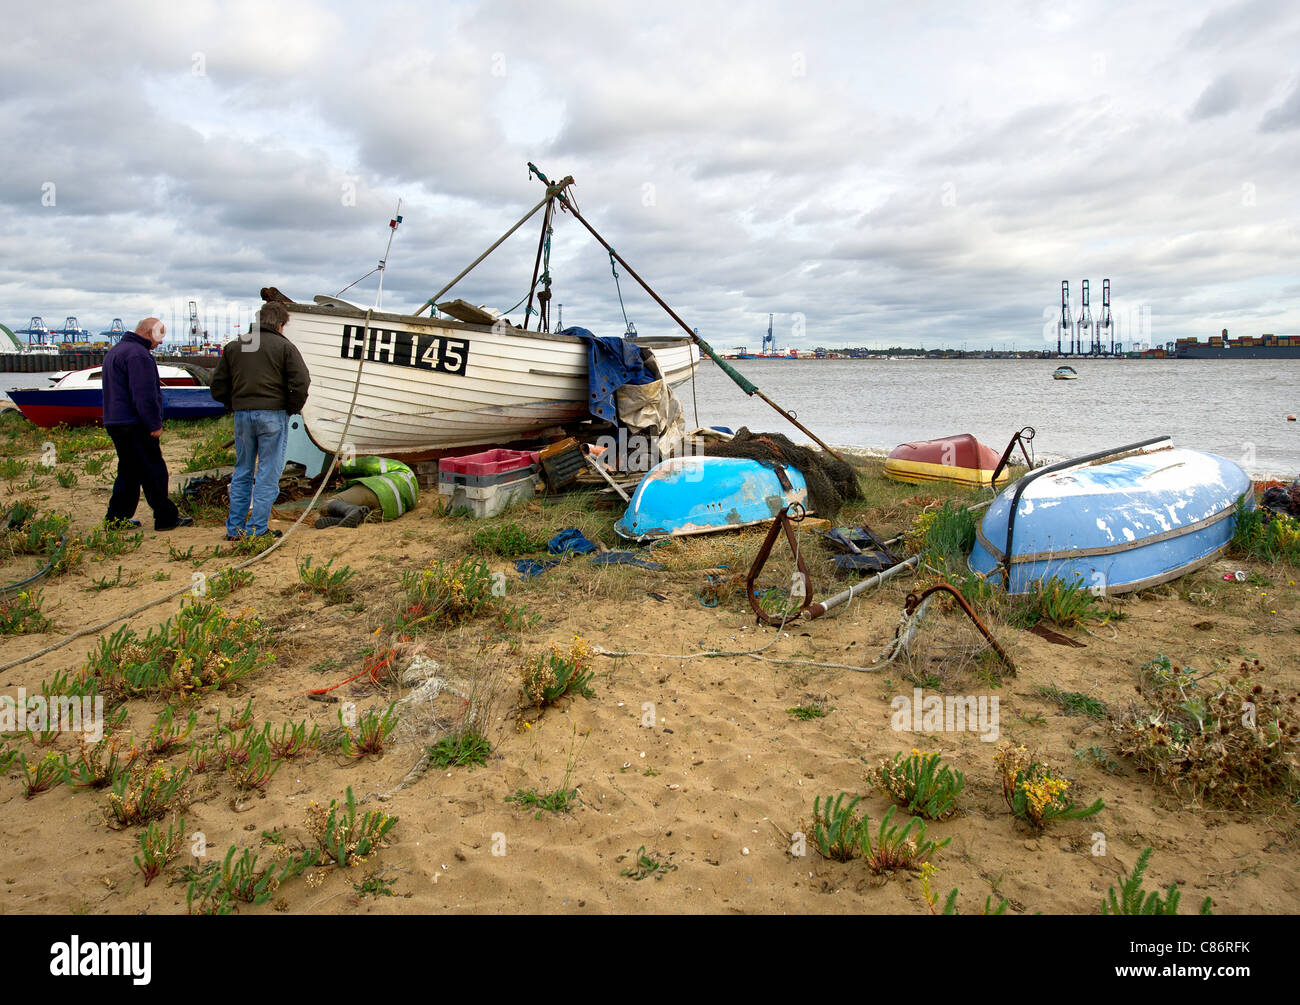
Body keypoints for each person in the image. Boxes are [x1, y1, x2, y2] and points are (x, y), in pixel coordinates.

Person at [210, 301, 311, 540]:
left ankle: (234, 529)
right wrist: (291, 408)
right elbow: (301, 382)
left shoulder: (235, 346)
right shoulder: (284, 347)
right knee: (267, 473)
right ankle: (257, 529)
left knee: (243, 470)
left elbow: (218, 384)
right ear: (279, 324)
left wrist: (232, 404)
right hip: (272, 415)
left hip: (243, 415)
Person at [101, 317, 193, 531]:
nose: (161, 342)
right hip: (135, 424)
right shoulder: (138, 355)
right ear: (149, 332)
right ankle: (165, 518)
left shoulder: (116, 351)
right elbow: (144, 395)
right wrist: (154, 424)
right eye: (160, 336)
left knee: (129, 471)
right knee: (154, 471)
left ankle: (116, 519)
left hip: (115, 421)